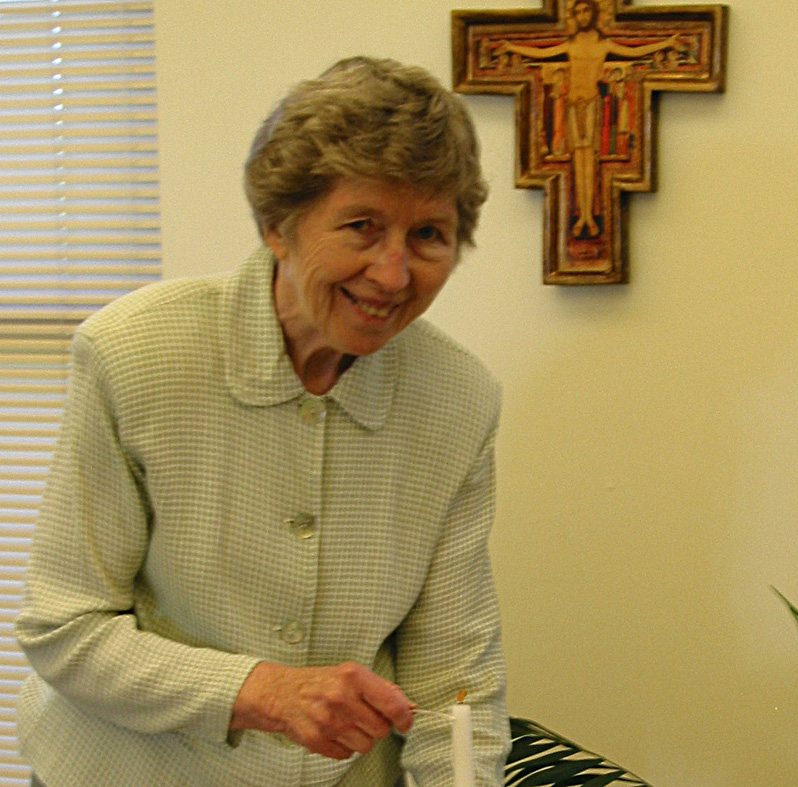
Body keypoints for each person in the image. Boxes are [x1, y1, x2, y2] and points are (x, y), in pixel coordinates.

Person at [15, 56, 508, 787]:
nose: (394, 273)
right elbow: (65, 628)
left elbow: (453, 680)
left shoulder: (458, 399)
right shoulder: (135, 354)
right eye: (362, 227)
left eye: (429, 235)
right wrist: (261, 692)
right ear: (280, 226)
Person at [499, 0, 679, 238]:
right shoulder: (570, 44)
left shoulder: (603, 45)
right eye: (577, 12)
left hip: (592, 105)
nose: (581, 15)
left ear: (594, 14)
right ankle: (581, 214)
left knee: (590, 164)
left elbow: (635, 51)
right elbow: (543, 53)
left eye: (585, 11)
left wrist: (666, 43)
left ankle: (588, 216)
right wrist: (513, 46)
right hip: (573, 105)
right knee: (577, 163)